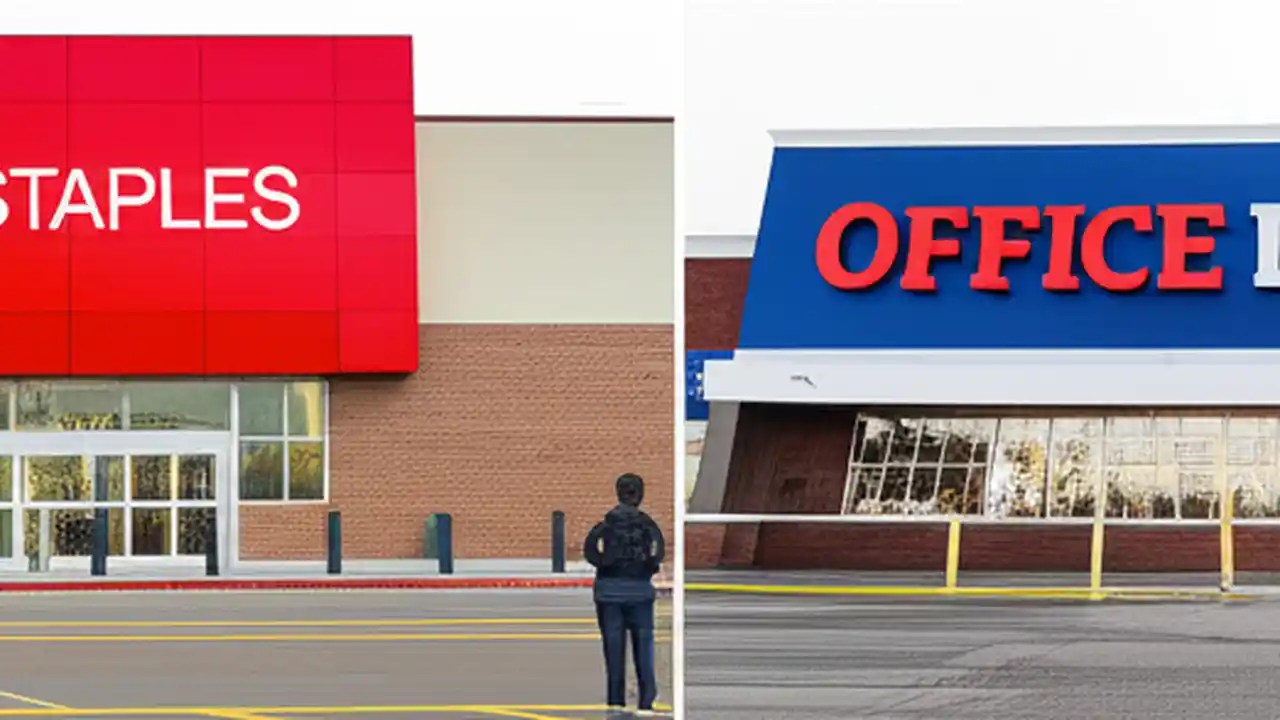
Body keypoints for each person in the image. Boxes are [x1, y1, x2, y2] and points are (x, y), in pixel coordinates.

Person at [583, 472, 665, 714]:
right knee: (643, 644)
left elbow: (590, 549)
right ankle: (646, 698)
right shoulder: (647, 524)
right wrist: (647, 568)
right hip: (639, 591)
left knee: (613, 648)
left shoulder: (606, 524)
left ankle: (616, 699)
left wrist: (605, 564)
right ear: (639, 494)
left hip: (609, 592)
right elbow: (658, 551)